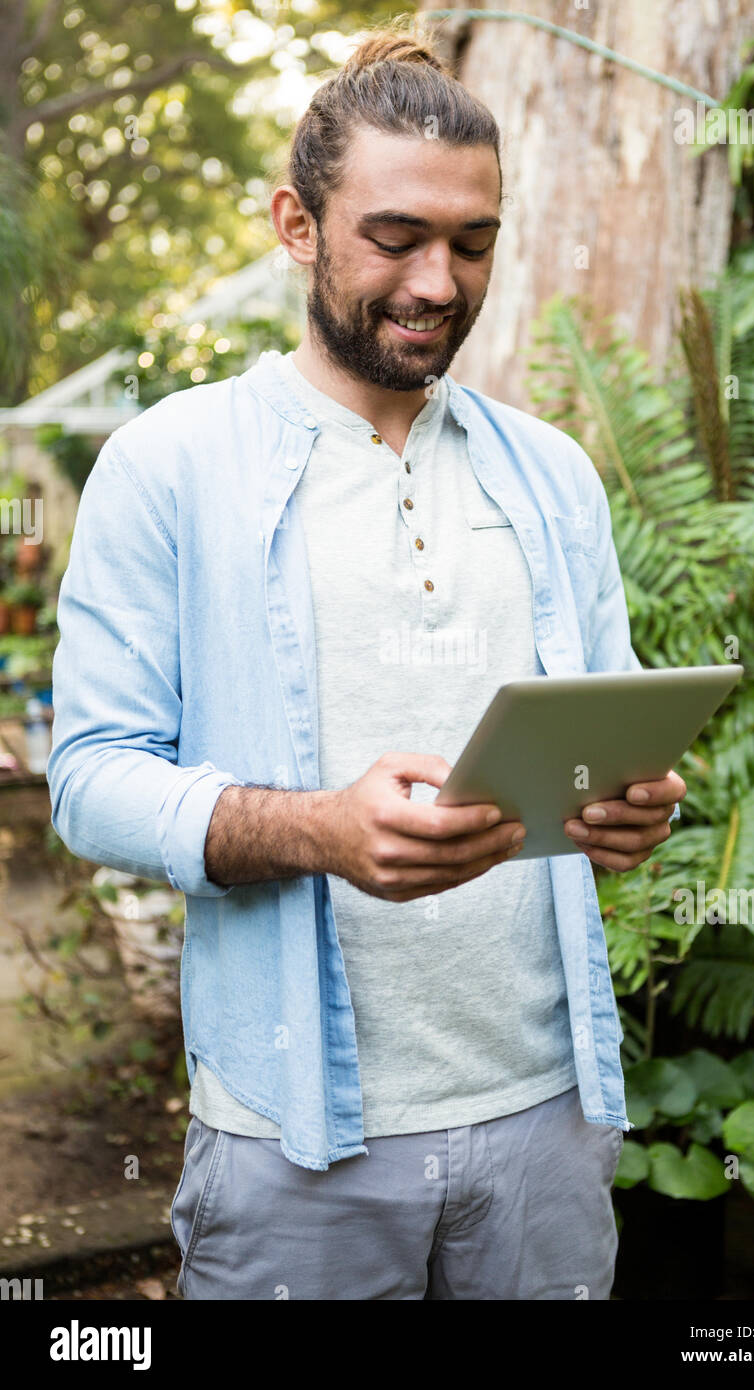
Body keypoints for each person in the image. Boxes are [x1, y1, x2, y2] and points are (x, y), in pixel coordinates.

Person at [46, 26, 686, 1301]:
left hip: (547, 1122)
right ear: (297, 224)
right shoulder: (172, 465)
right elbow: (89, 778)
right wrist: (317, 829)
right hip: (296, 1144)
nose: (437, 282)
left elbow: (601, 737)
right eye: (394, 237)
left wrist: (632, 809)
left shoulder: (551, 474)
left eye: (472, 242)